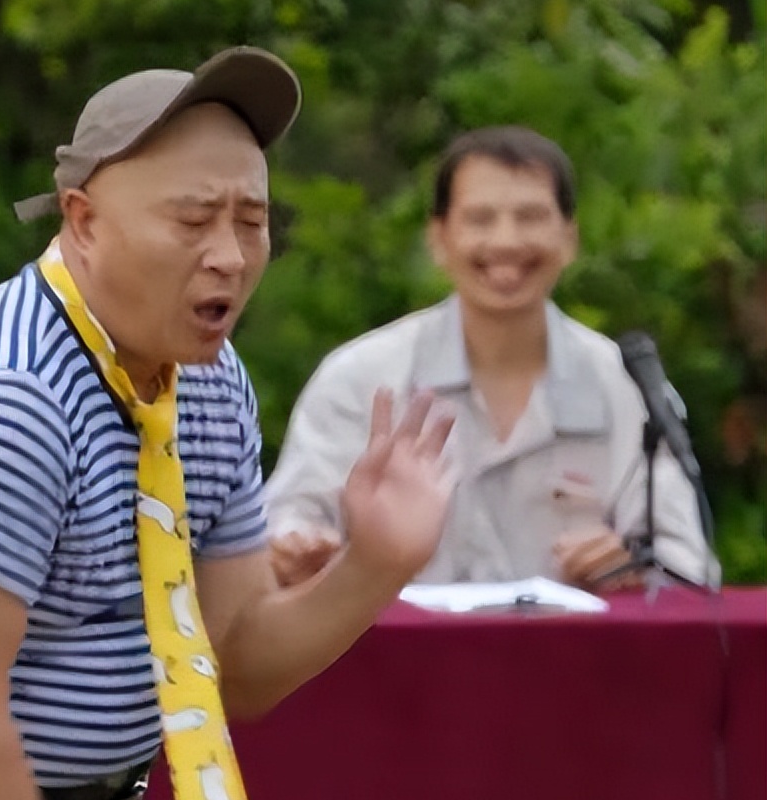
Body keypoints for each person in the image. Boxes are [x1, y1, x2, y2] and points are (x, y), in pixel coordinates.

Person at [0, 46, 454, 800]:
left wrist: (377, 564)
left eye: (251, 220)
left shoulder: (210, 383)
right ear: (82, 220)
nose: (229, 254)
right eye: (193, 221)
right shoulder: (7, 394)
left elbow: (235, 667)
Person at [266, 125, 715, 591]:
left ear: (569, 237)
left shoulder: (627, 387)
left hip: (580, 661)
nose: (506, 241)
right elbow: (285, 525)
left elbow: (689, 569)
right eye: (480, 218)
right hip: (397, 660)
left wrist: (633, 571)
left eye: (531, 216)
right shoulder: (360, 378)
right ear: (438, 238)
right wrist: (300, 550)